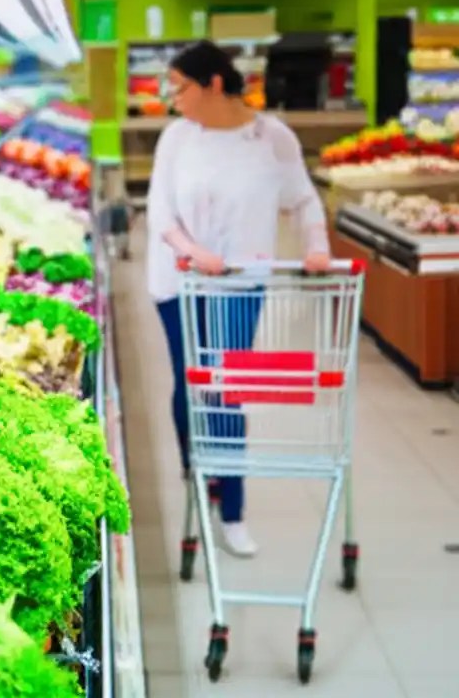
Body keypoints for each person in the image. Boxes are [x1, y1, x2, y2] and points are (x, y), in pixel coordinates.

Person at [146, 40, 332, 557]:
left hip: (239, 281)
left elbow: (303, 199)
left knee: (225, 389)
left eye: (179, 86)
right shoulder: (176, 140)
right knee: (190, 384)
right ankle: (197, 468)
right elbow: (162, 215)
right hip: (178, 279)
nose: (172, 97)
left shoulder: (271, 138)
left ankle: (232, 509)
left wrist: (317, 247)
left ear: (215, 84)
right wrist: (193, 251)